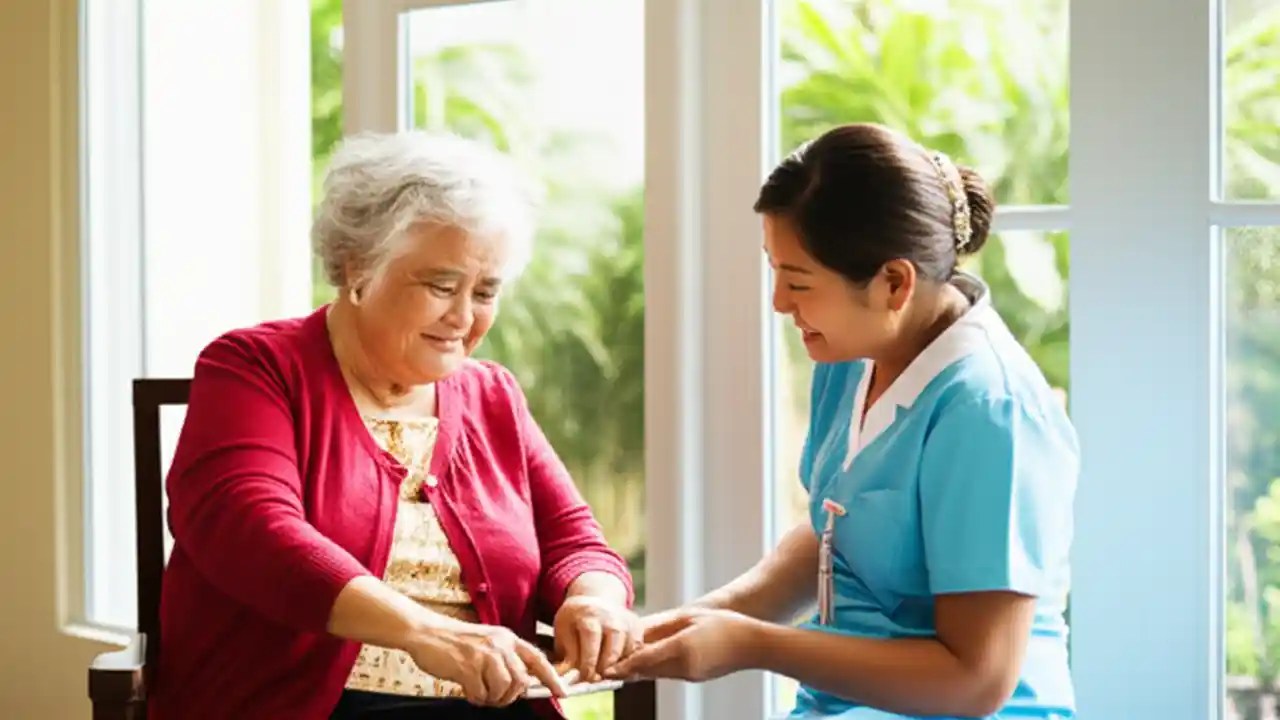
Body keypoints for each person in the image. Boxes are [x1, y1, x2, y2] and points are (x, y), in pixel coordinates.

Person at [150, 131, 641, 720]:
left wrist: (594, 600)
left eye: (485, 291)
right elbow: (247, 526)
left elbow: (575, 541)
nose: (464, 317)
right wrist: (426, 632)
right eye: (440, 286)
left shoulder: (491, 397)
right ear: (359, 268)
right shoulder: (255, 368)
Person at [609, 123, 1077, 719]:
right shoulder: (852, 353)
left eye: (798, 281)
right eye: (774, 270)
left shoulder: (989, 412)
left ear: (893, 282)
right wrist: (703, 619)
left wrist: (751, 644)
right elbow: (836, 531)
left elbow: (976, 681)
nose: (779, 302)